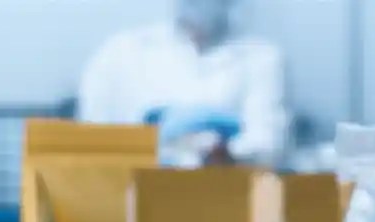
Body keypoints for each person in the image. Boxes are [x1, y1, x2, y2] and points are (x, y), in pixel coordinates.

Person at [78, 0, 289, 167]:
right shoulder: (121, 52)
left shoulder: (260, 58)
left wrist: (224, 154)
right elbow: (90, 143)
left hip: (222, 199)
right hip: (131, 201)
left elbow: (269, 144)